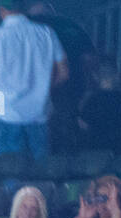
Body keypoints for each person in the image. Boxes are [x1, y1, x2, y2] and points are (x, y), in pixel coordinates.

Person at [0, 1, 69, 163]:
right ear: (24, 9)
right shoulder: (47, 33)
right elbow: (64, 73)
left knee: (11, 170)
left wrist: (3, 98)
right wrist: (43, 89)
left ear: (2, 10)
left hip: (7, 113)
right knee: (41, 171)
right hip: (40, 113)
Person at [27, 1, 97, 152]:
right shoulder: (71, 26)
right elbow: (89, 59)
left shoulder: (27, 28)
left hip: (35, 90)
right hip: (71, 87)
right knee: (68, 128)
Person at [77, 58, 121, 152]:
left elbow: (83, 124)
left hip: (97, 150)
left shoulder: (93, 100)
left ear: (95, 77)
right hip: (120, 150)